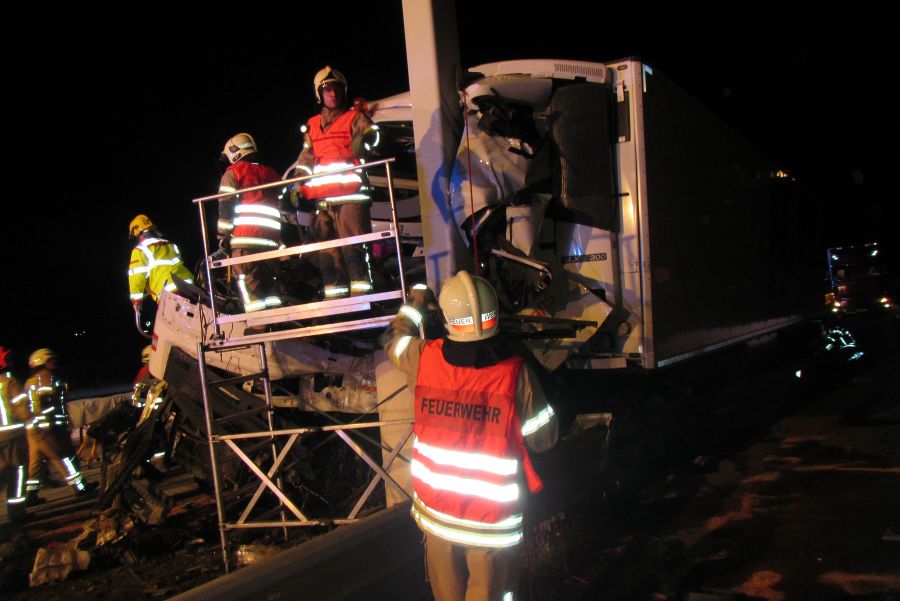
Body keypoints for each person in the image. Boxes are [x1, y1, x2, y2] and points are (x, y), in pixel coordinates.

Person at [384, 272, 558, 601]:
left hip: (437, 515)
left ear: (450, 320)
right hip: (490, 525)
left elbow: (394, 340)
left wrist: (417, 301)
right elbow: (544, 439)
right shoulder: (515, 374)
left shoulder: (423, 357)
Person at [291, 65, 381, 298]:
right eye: (327, 90)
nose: (333, 94)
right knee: (327, 254)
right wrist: (297, 186)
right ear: (319, 94)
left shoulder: (354, 117)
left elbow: (374, 141)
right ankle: (337, 302)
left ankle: (363, 301)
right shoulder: (312, 125)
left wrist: (366, 140)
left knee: (354, 250)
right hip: (322, 201)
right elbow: (305, 160)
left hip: (350, 196)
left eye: (336, 89)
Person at [218, 133, 284, 313]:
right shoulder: (271, 173)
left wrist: (222, 237)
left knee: (249, 285)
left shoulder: (233, 173)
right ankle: (275, 321)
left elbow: (226, 207)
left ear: (234, 152)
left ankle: (258, 325)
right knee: (271, 285)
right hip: (270, 242)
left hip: (244, 240)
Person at [24, 348, 87, 500]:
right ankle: (79, 487)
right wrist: (52, 423)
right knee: (62, 456)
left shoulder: (30, 381)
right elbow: (48, 403)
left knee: (36, 463)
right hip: (46, 428)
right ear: (42, 362)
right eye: (51, 360)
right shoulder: (47, 378)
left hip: (34, 428)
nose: (55, 362)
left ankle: (31, 494)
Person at [128, 215, 195, 310]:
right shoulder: (170, 244)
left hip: (170, 294)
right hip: (191, 289)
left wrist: (136, 300)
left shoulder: (140, 249)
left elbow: (136, 276)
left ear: (139, 233)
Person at [0, 347, 29, 523]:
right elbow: (22, 409)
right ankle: (17, 513)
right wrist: (32, 424)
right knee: (17, 473)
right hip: (12, 437)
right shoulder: (9, 383)